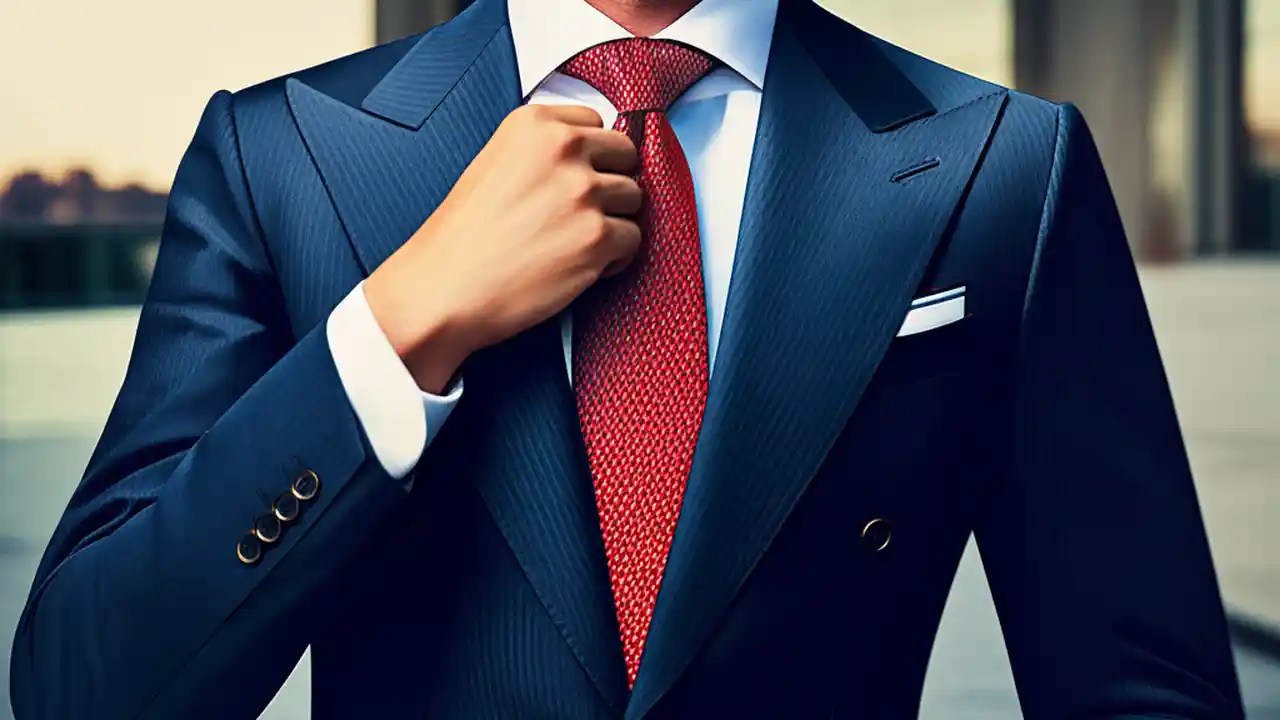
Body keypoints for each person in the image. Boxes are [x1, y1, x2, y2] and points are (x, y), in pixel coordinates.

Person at [10, 0, 1245, 717]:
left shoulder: (1001, 164)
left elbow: (1143, 690)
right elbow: (82, 685)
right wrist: (399, 330)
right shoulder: (282, 155)